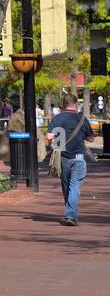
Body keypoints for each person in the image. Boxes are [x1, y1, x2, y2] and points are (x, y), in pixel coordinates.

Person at [45, 93, 95, 226]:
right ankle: (71, 215)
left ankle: (70, 213)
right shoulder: (82, 119)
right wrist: (81, 136)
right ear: (75, 105)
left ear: (63, 104)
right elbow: (91, 138)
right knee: (75, 186)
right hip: (78, 157)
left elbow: (49, 137)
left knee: (66, 186)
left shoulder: (57, 118)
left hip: (62, 158)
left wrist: (60, 136)